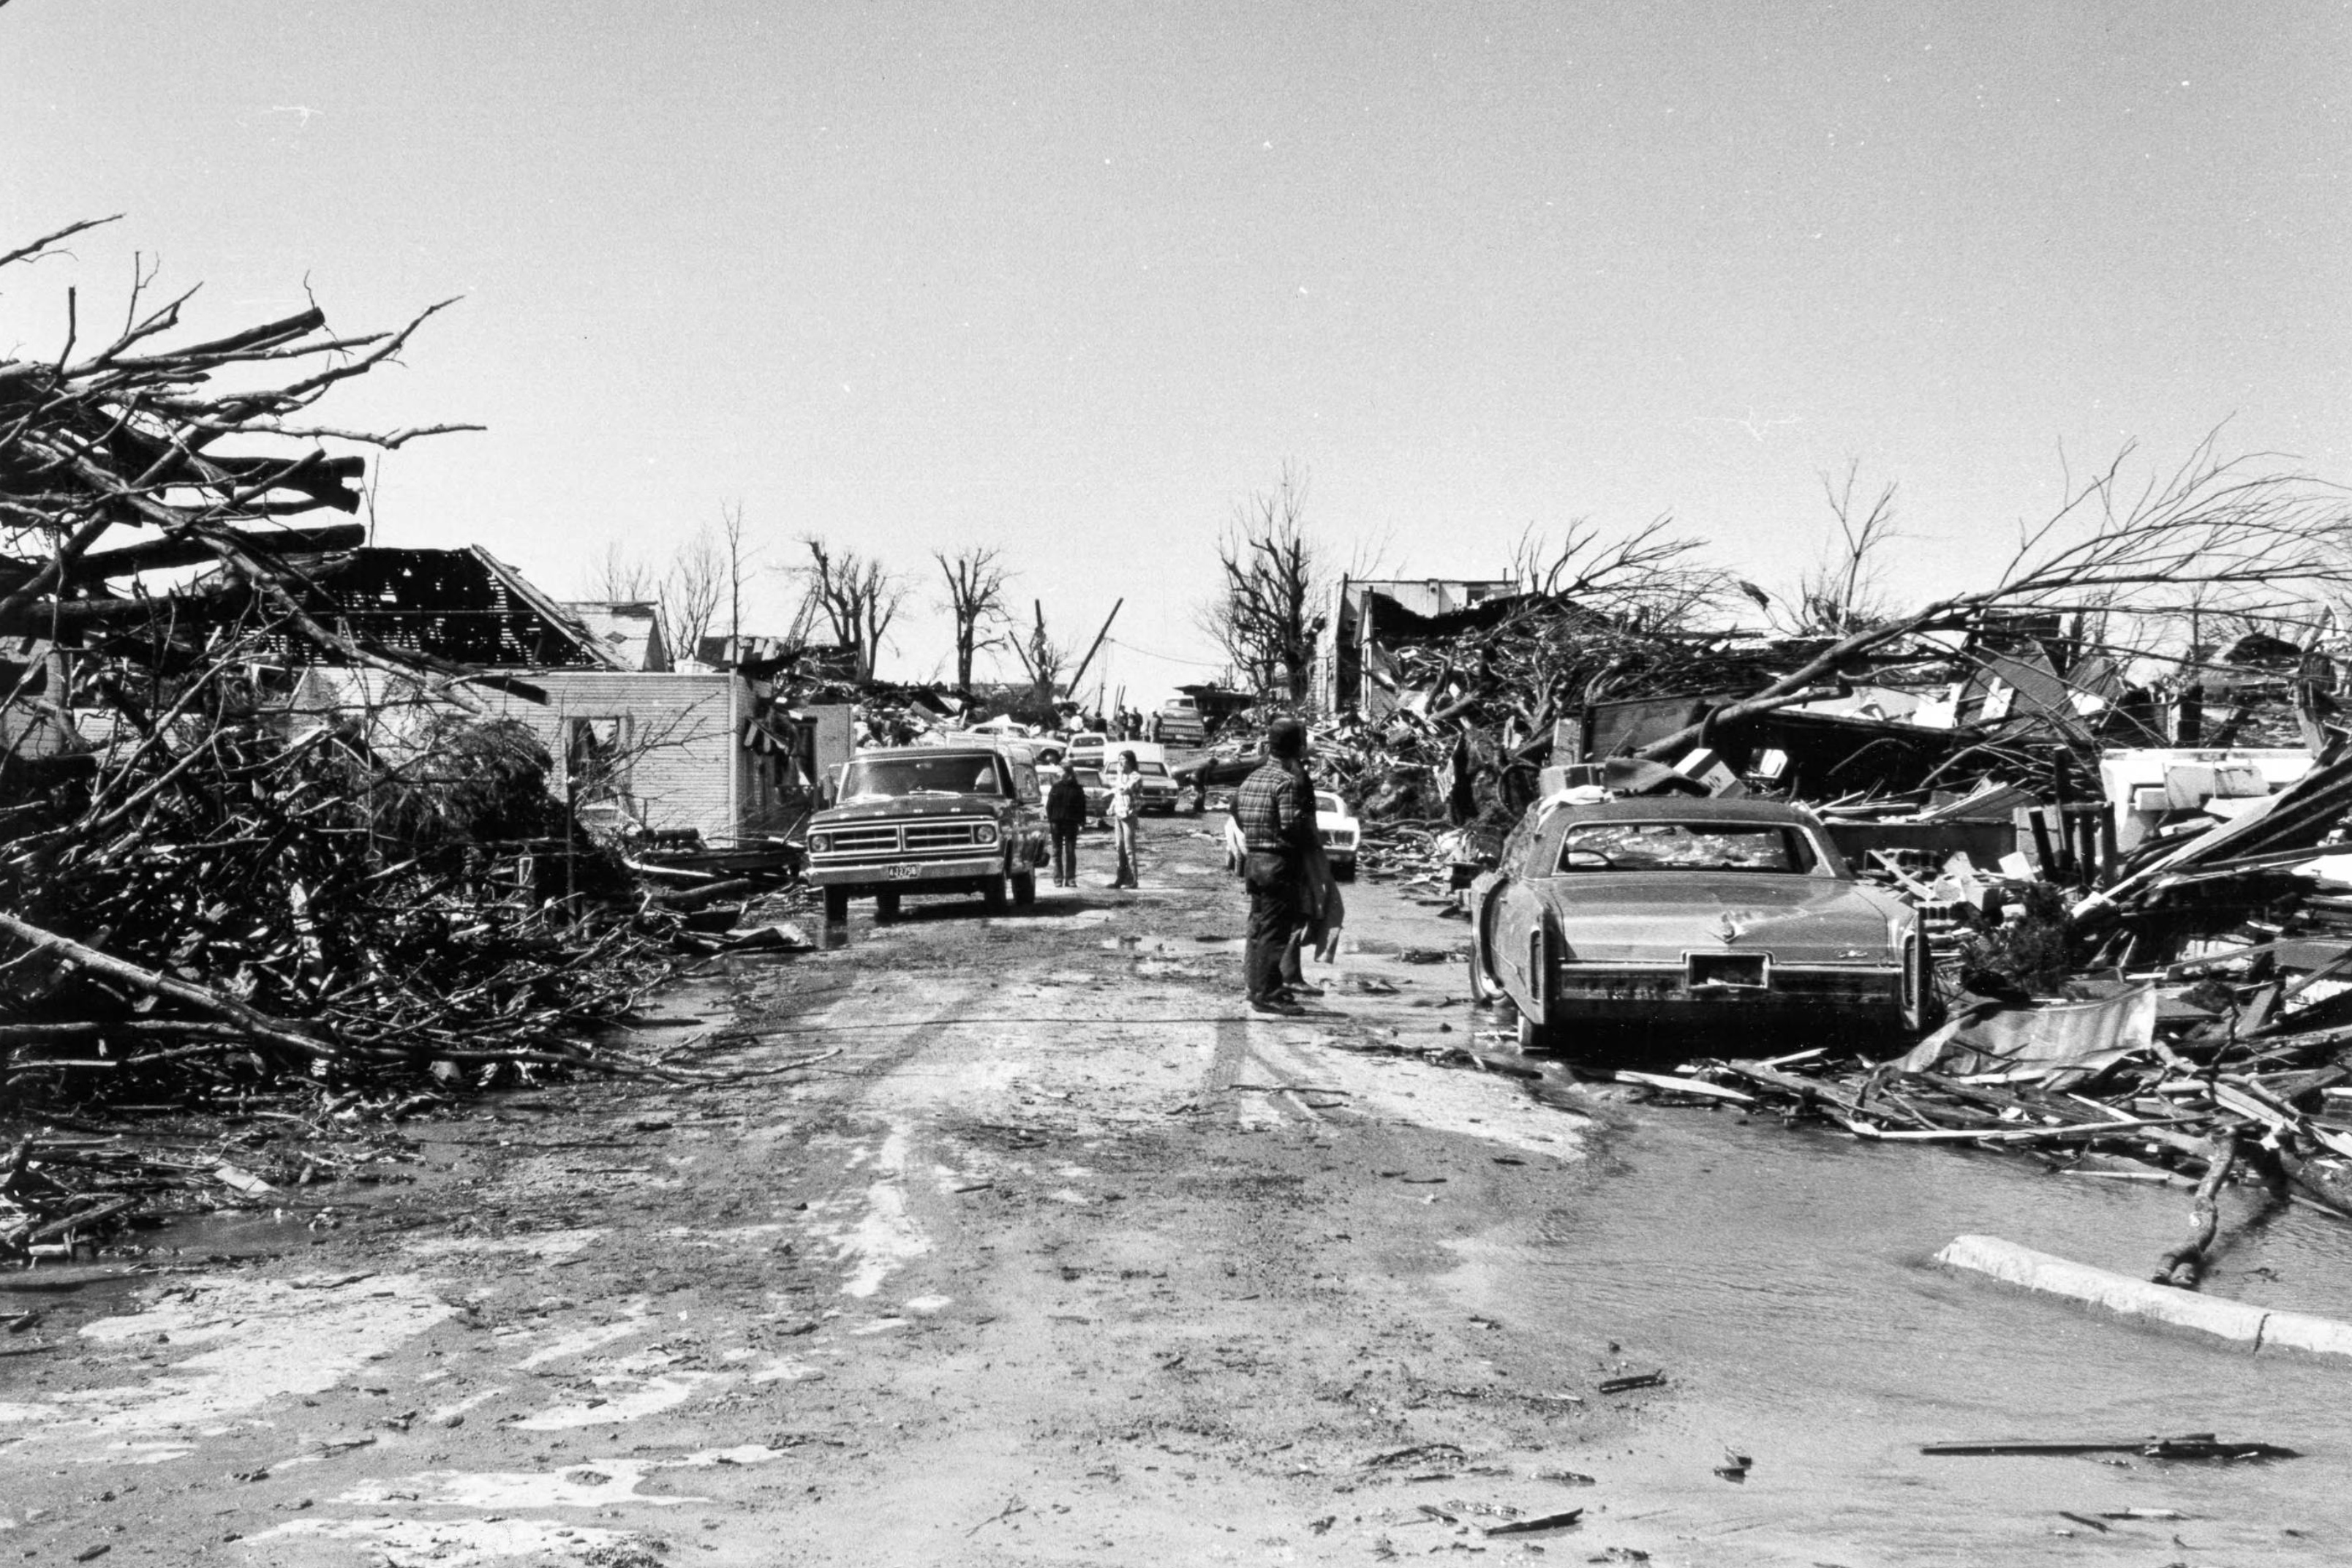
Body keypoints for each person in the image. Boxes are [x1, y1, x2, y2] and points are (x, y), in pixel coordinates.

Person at [1235, 717, 1316, 1015]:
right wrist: (1310, 845)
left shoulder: (1252, 778)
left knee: (1258, 928)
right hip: (1278, 864)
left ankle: (1256, 987)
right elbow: (1291, 825)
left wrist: (1257, 834)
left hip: (1254, 862)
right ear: (1296, 746)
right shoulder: (1286, 781)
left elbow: (1236, 812)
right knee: (1275, 932)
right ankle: (1267, 994)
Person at [1045, 759, 1088, 888]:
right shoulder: (1056, 787)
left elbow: (1082, 807)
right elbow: (1049, 806)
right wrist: (1051, 820)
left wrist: (1082, 823)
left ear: (1067, 772)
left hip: (1071, 823)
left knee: (1070, 851)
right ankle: (1058, 879)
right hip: (1056, 823)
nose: (1058, 773)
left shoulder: (1077, 789)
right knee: (1056, 852)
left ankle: (1070, 879)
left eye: (1061, 770)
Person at [1105, 749, 1144, 888]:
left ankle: (1133, 880)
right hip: (1118, 813)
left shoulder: (1136, 776)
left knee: (1129, 848)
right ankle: (1120, 879)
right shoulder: (1120, 776)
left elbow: (1125, 790)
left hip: (1129, 815)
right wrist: (1111, 806)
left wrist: (1121, 774)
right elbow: (1117, 794)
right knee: (1119, 848)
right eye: (1120, 759)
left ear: (1131, 762)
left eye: (1124, 760)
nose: (1121, 763)